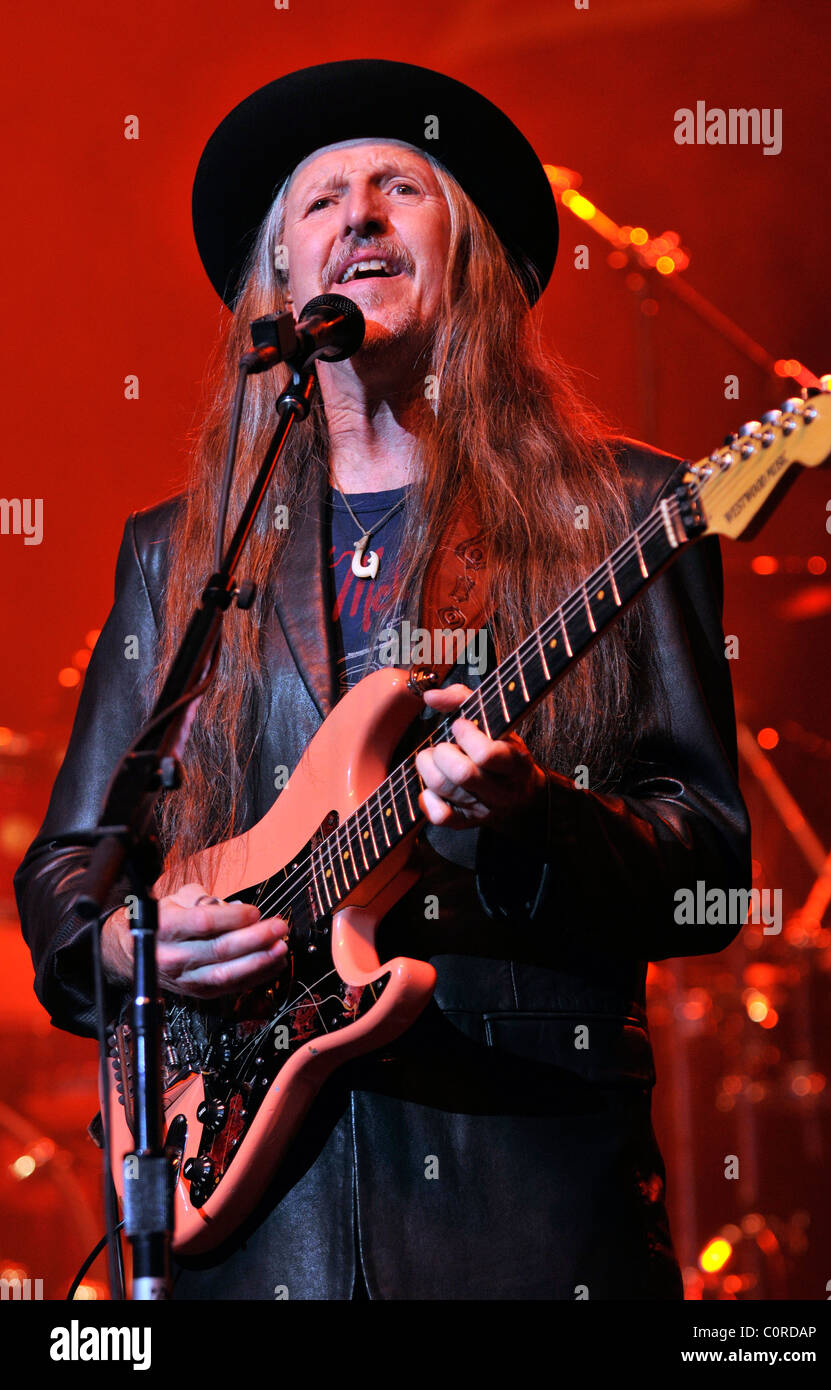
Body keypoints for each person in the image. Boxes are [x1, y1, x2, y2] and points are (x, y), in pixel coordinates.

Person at [15, 59, 751, 1300]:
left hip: (516, 1200)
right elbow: (67, 866)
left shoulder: (624, 516)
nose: (356, 214)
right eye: (320, 201)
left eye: (397, 187)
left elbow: (708, 873)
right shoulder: (181, 548)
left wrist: (534, 821)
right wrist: (138, 946)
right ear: (278, 286)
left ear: (470, 261)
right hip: (249, 1220)